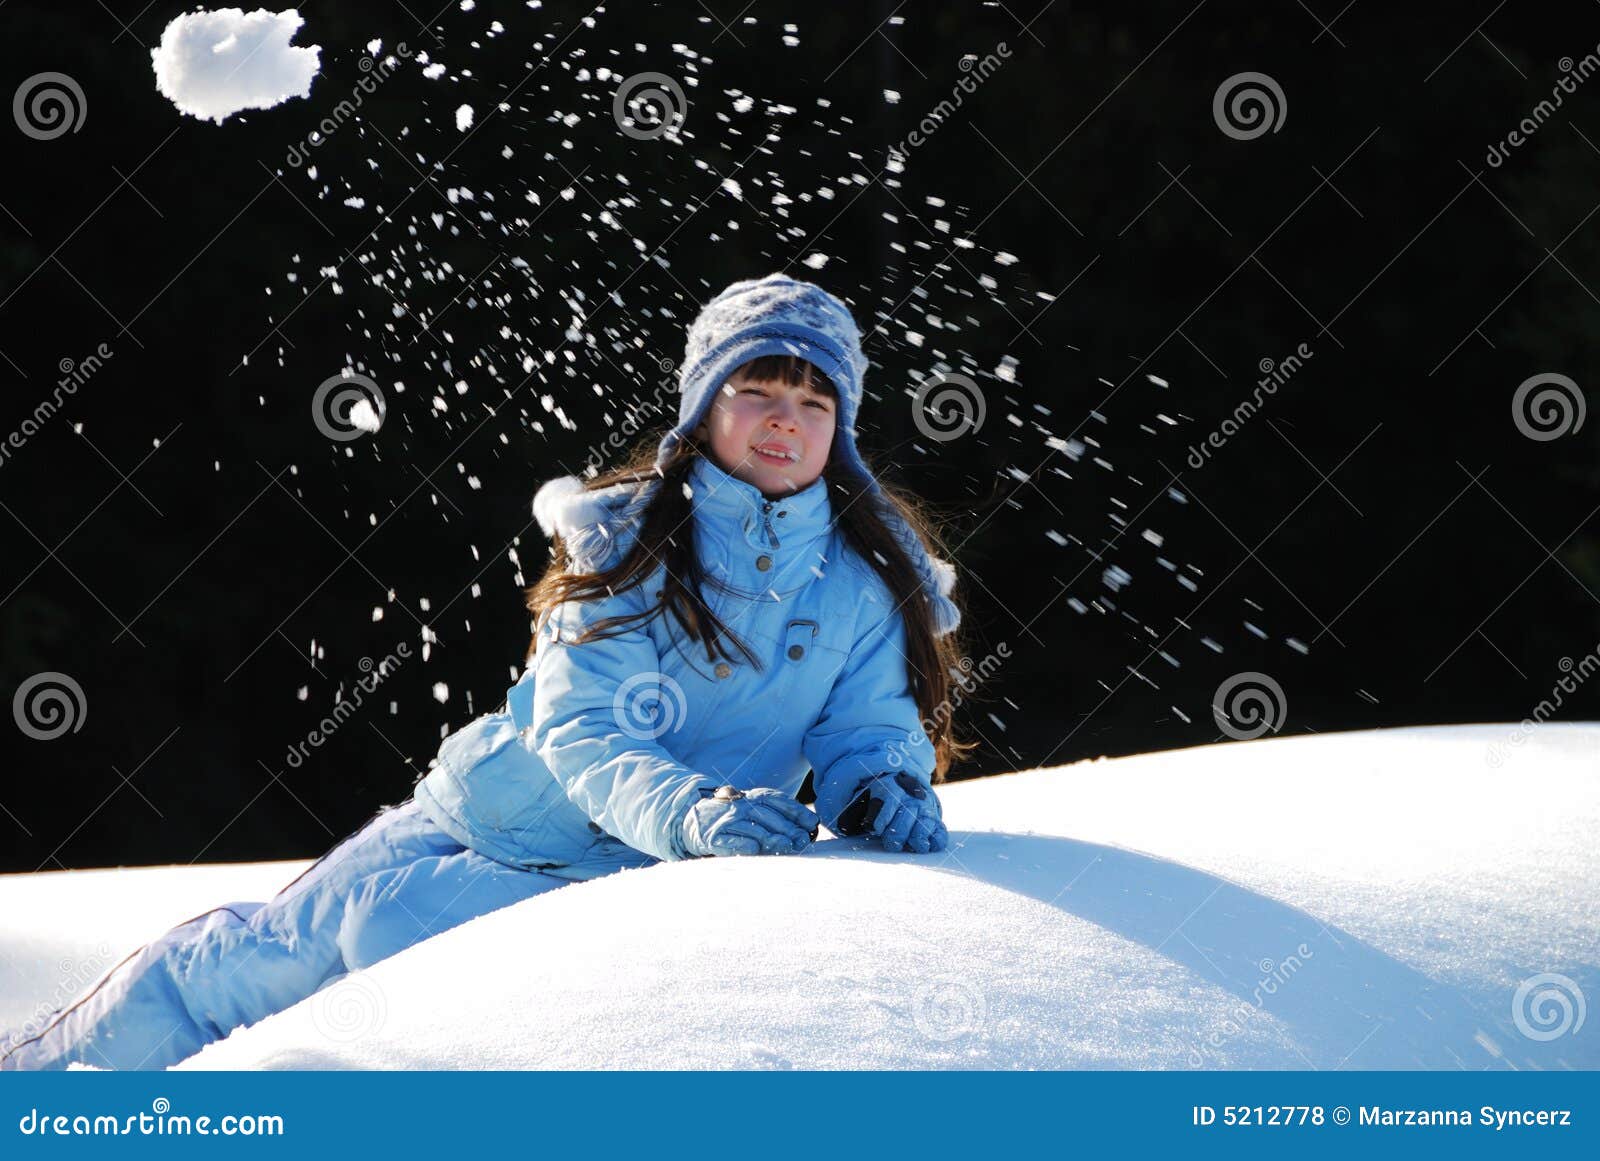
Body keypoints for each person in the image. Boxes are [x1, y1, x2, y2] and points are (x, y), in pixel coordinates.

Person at [0, 273, 975, 1071]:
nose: (782, 421)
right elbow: (583, 726)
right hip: (486, 810)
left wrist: (877, 789)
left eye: (812, 402)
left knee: (368, 973)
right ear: (699, 411)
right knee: (250, 963)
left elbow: (864, 722)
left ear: (838, 429)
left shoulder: (859, 581)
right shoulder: (628, 546)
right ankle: (43, 1094)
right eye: (755, 391)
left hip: (623, 878)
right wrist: (690, 809)